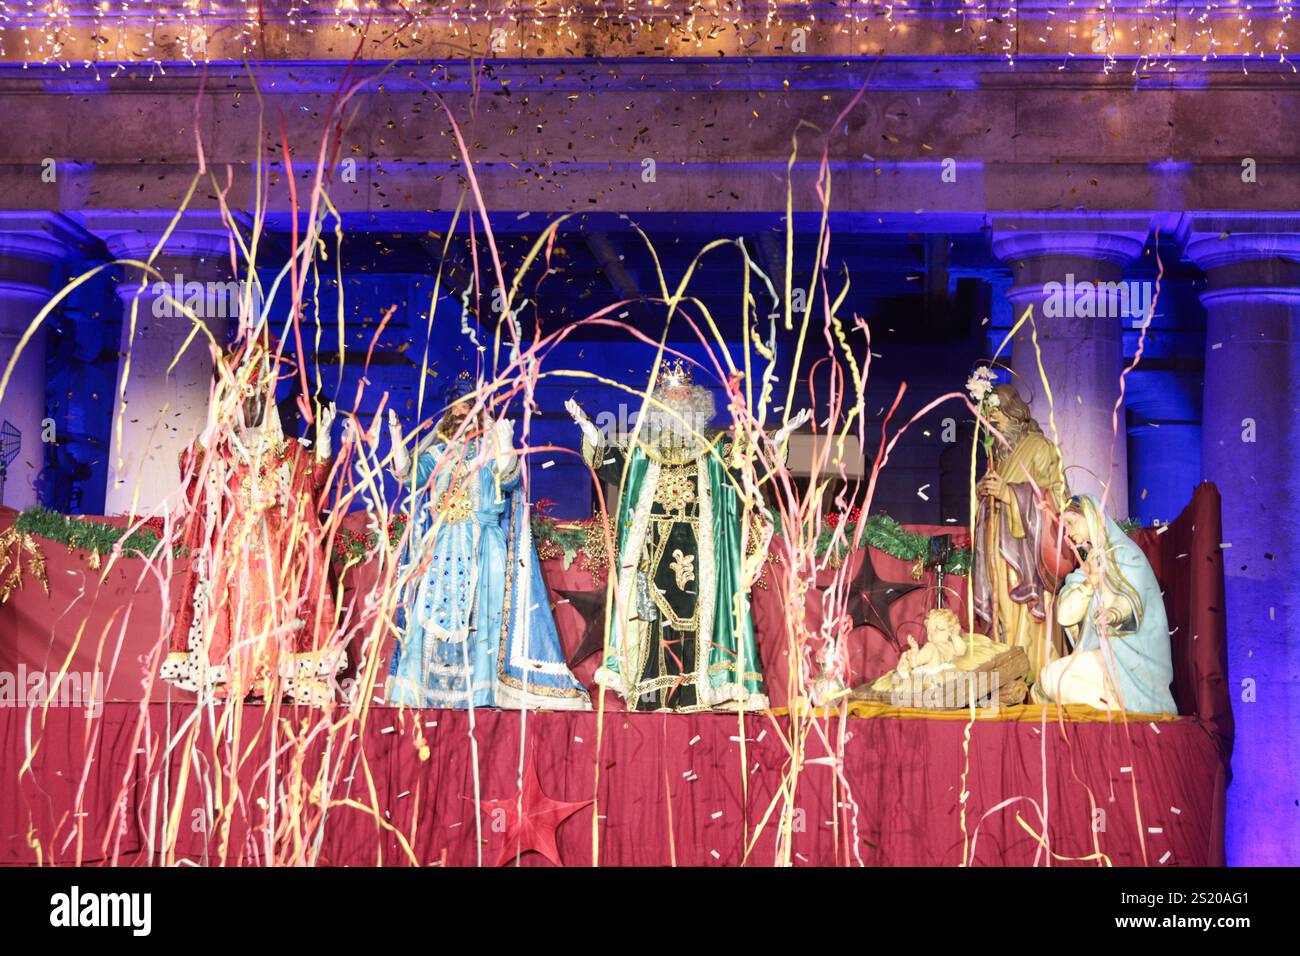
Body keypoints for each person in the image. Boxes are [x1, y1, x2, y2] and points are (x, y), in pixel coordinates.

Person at [567, 359, 796, 712]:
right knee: (652, 619)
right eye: (670, 397)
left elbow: (747, 464)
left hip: (701, 551)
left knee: (698, 617)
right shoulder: (644, 452)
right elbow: (613, 465)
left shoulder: (714, 450)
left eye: (683, 397)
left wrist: (775, 442)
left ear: (695, 404)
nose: (676, 403)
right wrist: (592, 433)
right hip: (651, 549)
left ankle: (696, 691)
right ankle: (652, 693)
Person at [385, 383, 589, 710]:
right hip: (440, 546)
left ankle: (480, 692)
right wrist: (396, 438)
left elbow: (508, 480)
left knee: (486, 615)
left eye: (470, 410)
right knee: (427, 609)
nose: (463, 416)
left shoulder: (489, 450)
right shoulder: (436, 454)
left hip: (483, 544)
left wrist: (505, 444)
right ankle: (423, 691)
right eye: (457, 411)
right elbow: (407, 475)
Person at [161, 341, 344, 703]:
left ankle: (276, 679)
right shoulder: (224, 449)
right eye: (244, 397)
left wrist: (323, 443)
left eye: (259, 396)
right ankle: (234, 678)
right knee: (236, 606)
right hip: (232, 548)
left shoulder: (287, 450)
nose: (252, 404)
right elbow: (189, 467)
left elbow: (313, 483)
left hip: (277, 545)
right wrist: (214, 424)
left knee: (276, 605)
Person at [1031, 495, 1177, 714]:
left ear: (1090, 516)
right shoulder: (1087, 567)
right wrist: (1090, 581)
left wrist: (1113, 614)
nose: (1068, 532)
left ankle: (1119, 710)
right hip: (1105, 658)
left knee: (1052, 679)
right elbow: (1065, 615)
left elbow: (1132, 600)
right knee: (1045, 684)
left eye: (1071, 522)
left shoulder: (1125, 555)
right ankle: (1111, 709)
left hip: (1132, 662)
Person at [971, 382, 1069, 686]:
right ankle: (1007, 679)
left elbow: (1058, 500)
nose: (992, 420)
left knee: (1026, 619)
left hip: (1025, 556)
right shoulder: (998, 456)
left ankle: (1034, 680)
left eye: (997, 413)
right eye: (988, 415)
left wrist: (1012, 495)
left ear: (1015, 413)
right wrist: (982, 494)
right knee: (1003, 617)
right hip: (996, 552)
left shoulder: (1040, 447)